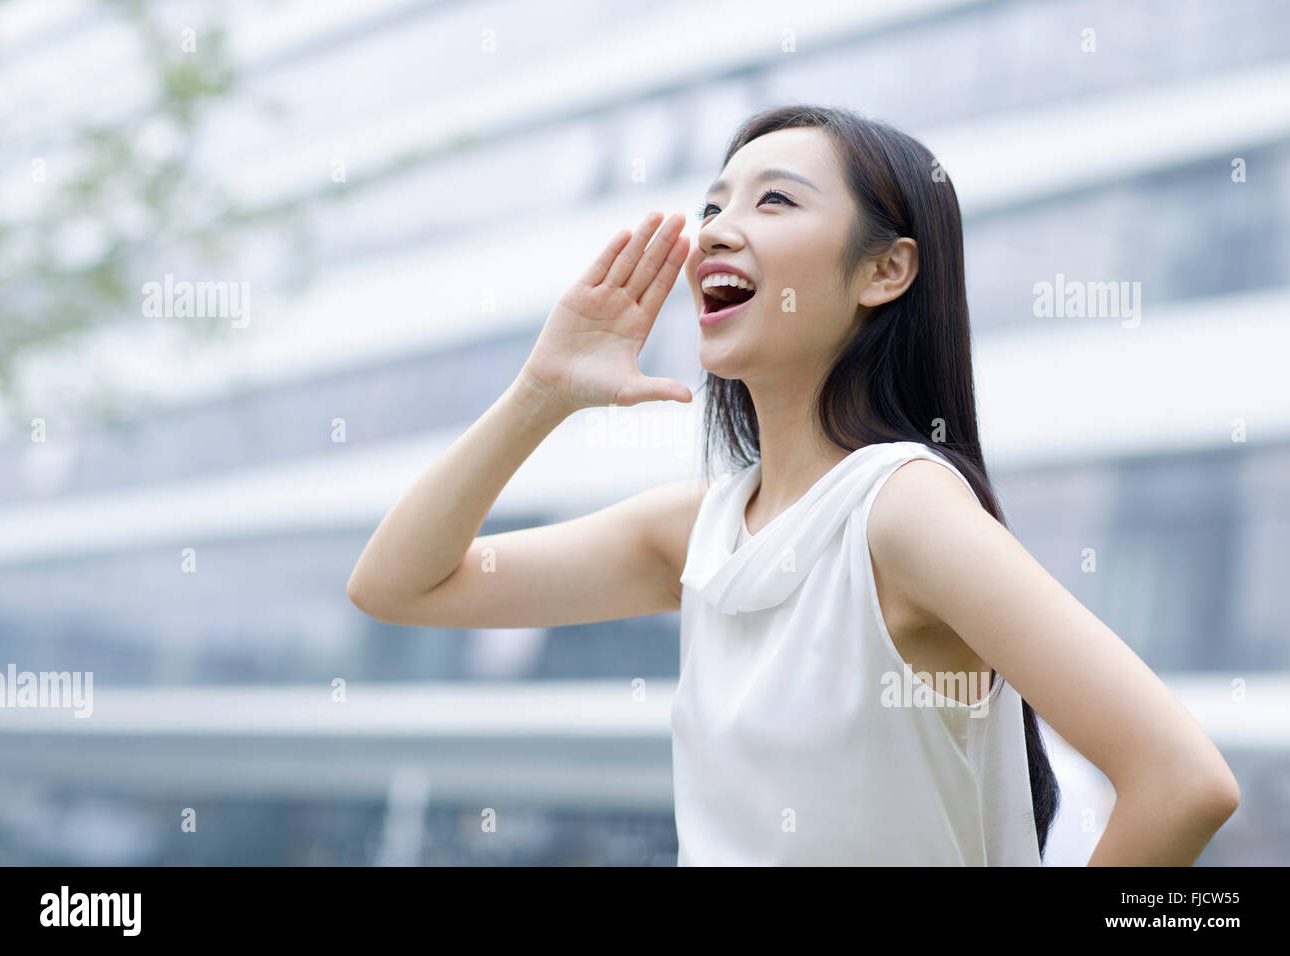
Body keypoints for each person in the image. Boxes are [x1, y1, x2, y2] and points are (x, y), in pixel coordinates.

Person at [347, 104, 1240, 866]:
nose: (716, 231)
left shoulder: (902, 509)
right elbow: (397, 585)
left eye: (774, 199)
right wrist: (541, 393)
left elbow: (1182, 784)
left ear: (884, 271)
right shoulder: (701, 528)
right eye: (713, 204)